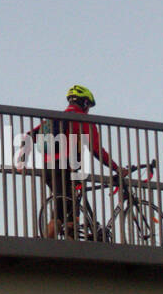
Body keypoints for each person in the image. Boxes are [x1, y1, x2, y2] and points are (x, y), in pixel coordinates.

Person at [14, 85, 123, 239]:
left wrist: (22, 162)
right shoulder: (82, 120)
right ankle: (44, 247)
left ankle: (72, 246)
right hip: (67, 169)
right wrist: (117, 168)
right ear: (85, 103)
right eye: (89, 106)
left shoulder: (53, 119)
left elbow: (29, 136)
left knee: (72, 212)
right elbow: (97, 150)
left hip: (49, 169)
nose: (89, 110)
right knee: (60, 213)